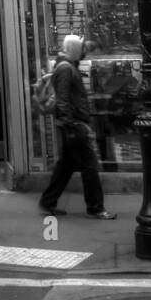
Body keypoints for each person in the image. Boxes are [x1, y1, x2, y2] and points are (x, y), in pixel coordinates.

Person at [38, 35, 116, 219]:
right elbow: (63, 99)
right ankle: (96, 207)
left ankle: (48, 201)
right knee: (90, 165)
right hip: (74, 124)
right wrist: (70, 124)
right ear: (74, 49)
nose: (83, 52)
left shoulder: (67, 66)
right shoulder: (66, 68)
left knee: (65, 166)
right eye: (81, 49)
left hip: (72, 123)